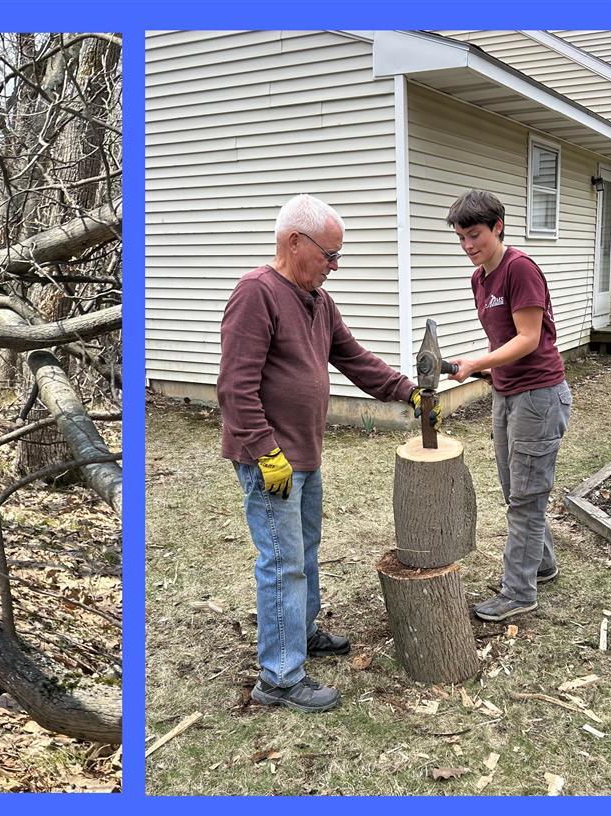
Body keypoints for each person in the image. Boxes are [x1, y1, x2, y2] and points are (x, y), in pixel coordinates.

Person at [218, 195, 429, 714]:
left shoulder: (318, 302)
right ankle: (280, 677)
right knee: (282, 562)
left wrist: (408, 391)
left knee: (304, 553)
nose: (335, 266)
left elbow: (353, 358)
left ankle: (301, 633)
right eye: (329, 255)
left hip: (305, 455)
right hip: (272, 460)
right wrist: (266, 452)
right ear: (295, 242)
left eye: (338, 256)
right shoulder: (256, 294)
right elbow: (235, 387)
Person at [442, 190, 573, 622]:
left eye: (474, 235)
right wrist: (479, 367)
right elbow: (504, 342)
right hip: (506, 392)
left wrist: (476, 361)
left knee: (527, 496)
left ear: (498, 226)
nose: (467, 245)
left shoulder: (520, 270)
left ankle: (519, 591)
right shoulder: (480, 278)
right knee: (517, 492)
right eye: (461, 237)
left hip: (538, 397)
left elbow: (529, 338)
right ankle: (543, 564)